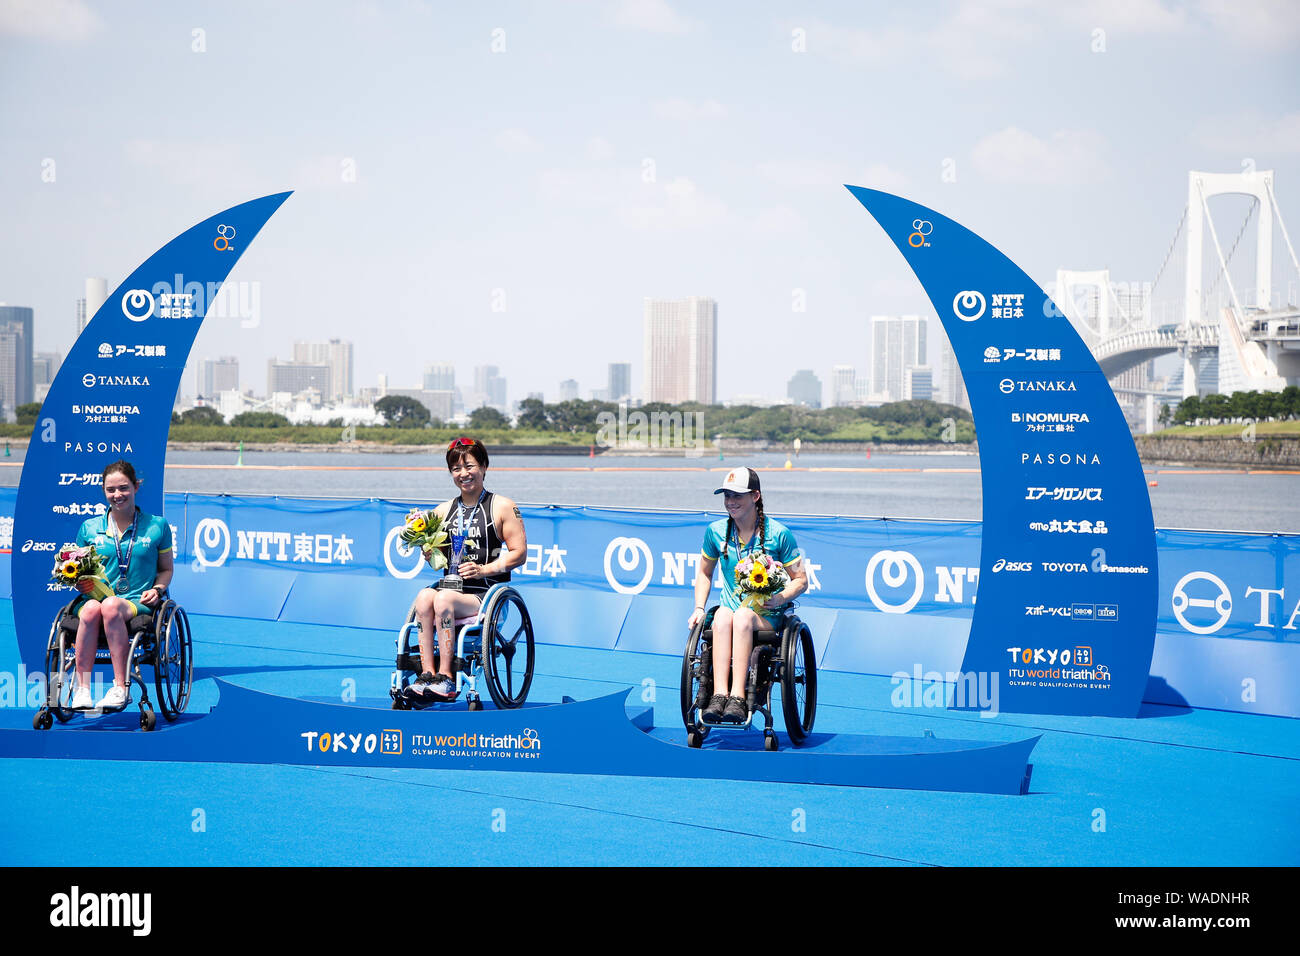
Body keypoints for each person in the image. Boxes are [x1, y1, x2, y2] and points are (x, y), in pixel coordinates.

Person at [405, 437, 527, 702]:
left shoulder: (503, 507)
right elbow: (437, 558)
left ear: (484, 466)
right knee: (425, 596)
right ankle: (427, 674)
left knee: (442, 598)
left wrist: (484, 570)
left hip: (486, 594)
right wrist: (428, 552)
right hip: (449, 590)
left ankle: (447, 678)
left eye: (469, 466)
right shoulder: (442, 511)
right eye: (456, 469)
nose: (464, 474)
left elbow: (519, 554)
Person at [687, 467, 807, 723]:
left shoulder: (780, 534)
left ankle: (738, 697)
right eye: (727, 495)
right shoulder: (716, 531)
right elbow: (704, 573)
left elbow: (801, 581)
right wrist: (699, 607)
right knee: (721, 617)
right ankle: (719, 695)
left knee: (742, 617)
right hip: (731, 614)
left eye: (737, 495)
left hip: (767, 614)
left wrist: (781, 598)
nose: (731, 501)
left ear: (755, 496)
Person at [69, 460, 174, 710]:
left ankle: (120, 687)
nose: (118, 495)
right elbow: (78, 573)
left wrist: (157, 589)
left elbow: (166, 570)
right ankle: (82, 689)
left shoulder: (157, 526)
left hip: (137, 601)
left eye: (124, 488)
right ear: (104, 491)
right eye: (111, 490)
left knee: (112, 606)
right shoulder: (89, 528)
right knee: (95, 608)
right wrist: (80, 584)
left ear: (136, 486)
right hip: (94, 601)